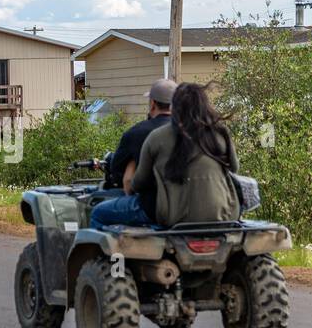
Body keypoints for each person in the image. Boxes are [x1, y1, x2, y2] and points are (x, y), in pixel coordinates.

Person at [130, 82, 240, 227]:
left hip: (173, 218)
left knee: (100, 213)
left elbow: (139, 183)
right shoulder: (220, 133)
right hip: (225, 216)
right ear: (205, 105)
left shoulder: (156, 137)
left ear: (173, 107)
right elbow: (235, 168)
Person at [87, 78, 175, 227]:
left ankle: (102, 251)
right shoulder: (190, 131)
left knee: (98, 213)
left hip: (152, 206)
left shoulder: (137, 132)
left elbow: (120, 173)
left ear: (152, 103)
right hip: (186, 206)